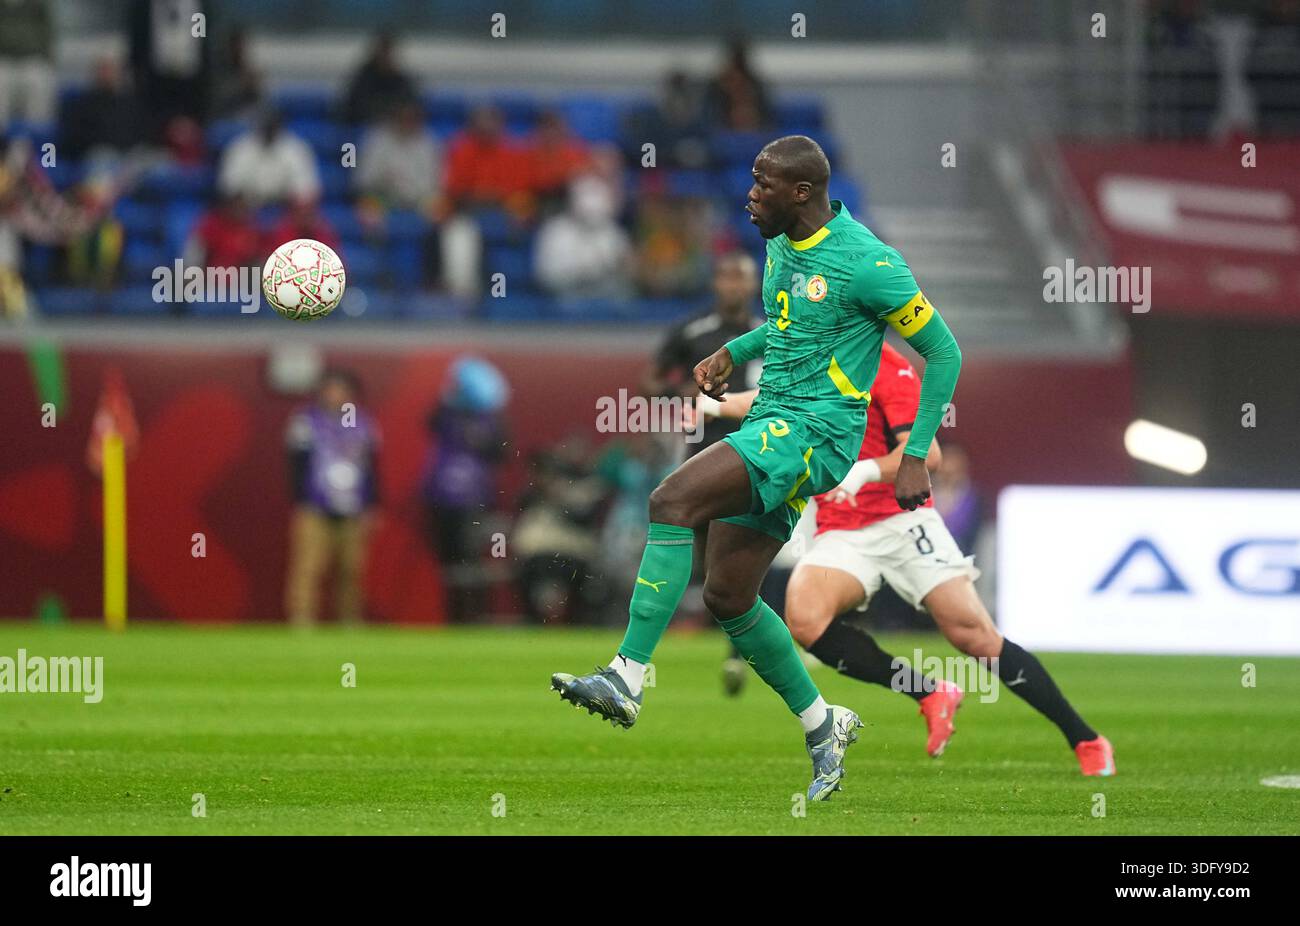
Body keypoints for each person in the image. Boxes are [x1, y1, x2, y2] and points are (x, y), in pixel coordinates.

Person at [551, 135, 962, 801]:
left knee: (671, 501)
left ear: (802, 192)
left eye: (763, 184)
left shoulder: (869, 263)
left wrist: (914, 453)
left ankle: (626, 677)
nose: (750, 194)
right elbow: (790, 323)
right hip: (778, 420)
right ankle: (823, 722)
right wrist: (731, 350)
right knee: (729, 595)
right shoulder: (779, 243)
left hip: (815, 433)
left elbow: (944, 352)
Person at [714, 342, 1115, 776]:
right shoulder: (813, 354)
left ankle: (1086, 739)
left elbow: (931, 455)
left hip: (903, 522)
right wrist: (712, 407)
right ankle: (929, 693)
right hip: (842, 528)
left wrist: (865, 471)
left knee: (974, 637)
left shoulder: (889, 367)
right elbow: (771, 400)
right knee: (806, 617)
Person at [284, 370, 380, 627]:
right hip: (315, 504)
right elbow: (296, 464)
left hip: (354, 506)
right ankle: (302, 619)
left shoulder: (363, 423)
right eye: (330, 389)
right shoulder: (307, 421)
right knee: (309, 566)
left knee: (352, 568)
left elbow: (373, 467)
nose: (335, 395)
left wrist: (373, 505)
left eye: (340, 390)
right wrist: (300, 501)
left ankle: (349, 620)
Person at [421, 357, 509, 623]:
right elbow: (430, 422)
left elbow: (501, 452)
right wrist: (451, 396)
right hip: (443, 498)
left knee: (472, 559)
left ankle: (476, 615)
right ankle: (455, 616)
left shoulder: (491, 421)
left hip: (475, 499)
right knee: (449, 562)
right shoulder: (447, 415)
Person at [217, 107, 320, 207]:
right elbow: (229, 187)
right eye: (266, 126)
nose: (269, 130)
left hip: (285, 211)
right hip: (247, 210)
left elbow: (305, 189)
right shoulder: (239, 148)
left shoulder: (297, 149)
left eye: (272, 126)